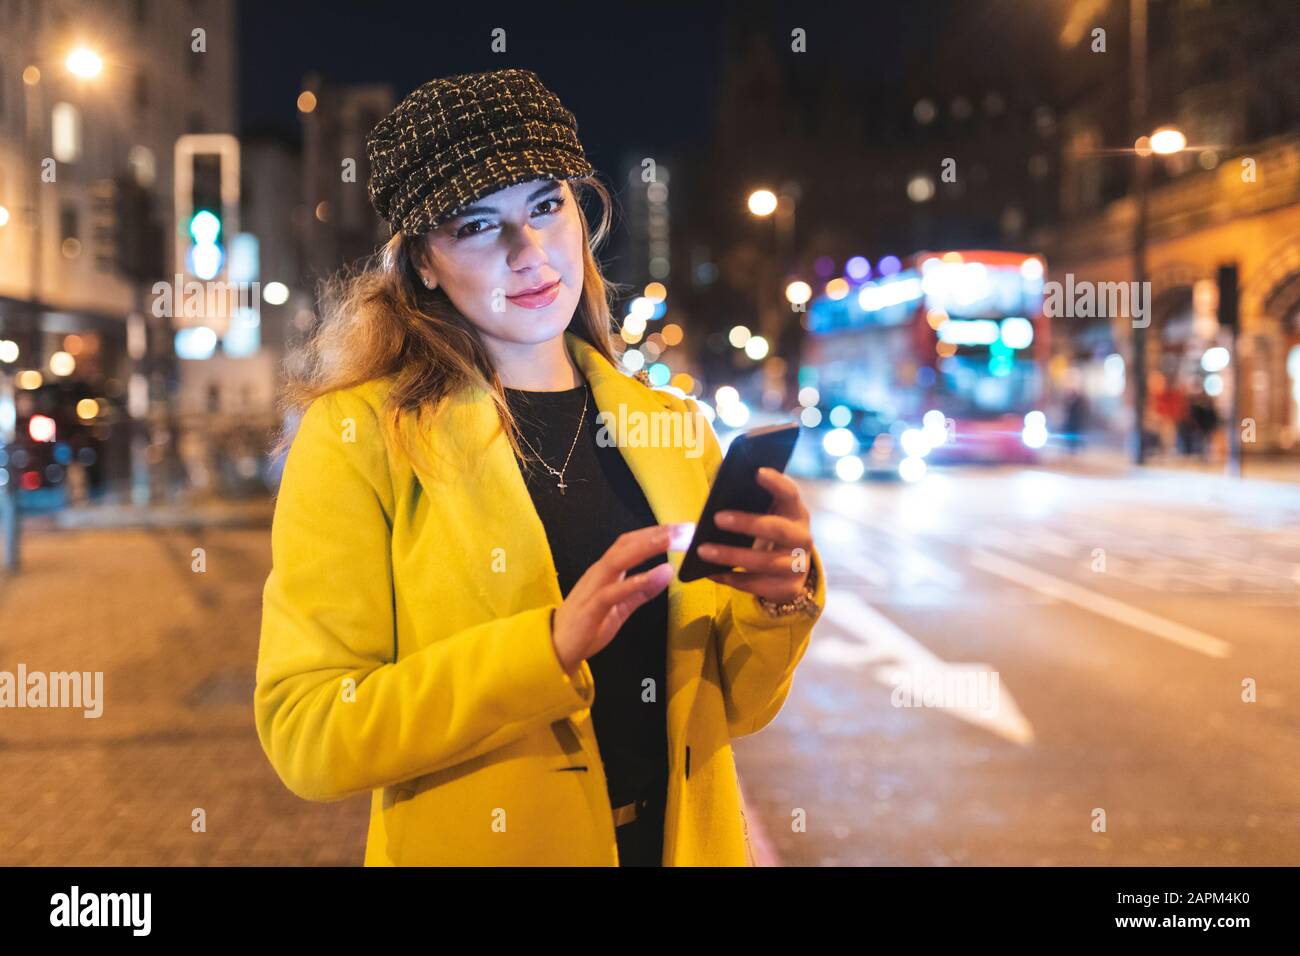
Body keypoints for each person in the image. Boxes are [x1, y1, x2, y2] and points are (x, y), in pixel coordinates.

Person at [253, 68, 826, 867]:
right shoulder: (358, 438)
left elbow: (731, 710)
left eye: (546, 207)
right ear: (421, 262)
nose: (529, 253)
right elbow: (310, 732)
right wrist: (547, 649)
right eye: (477, 225)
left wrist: (779, 599)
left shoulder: (672, 430)